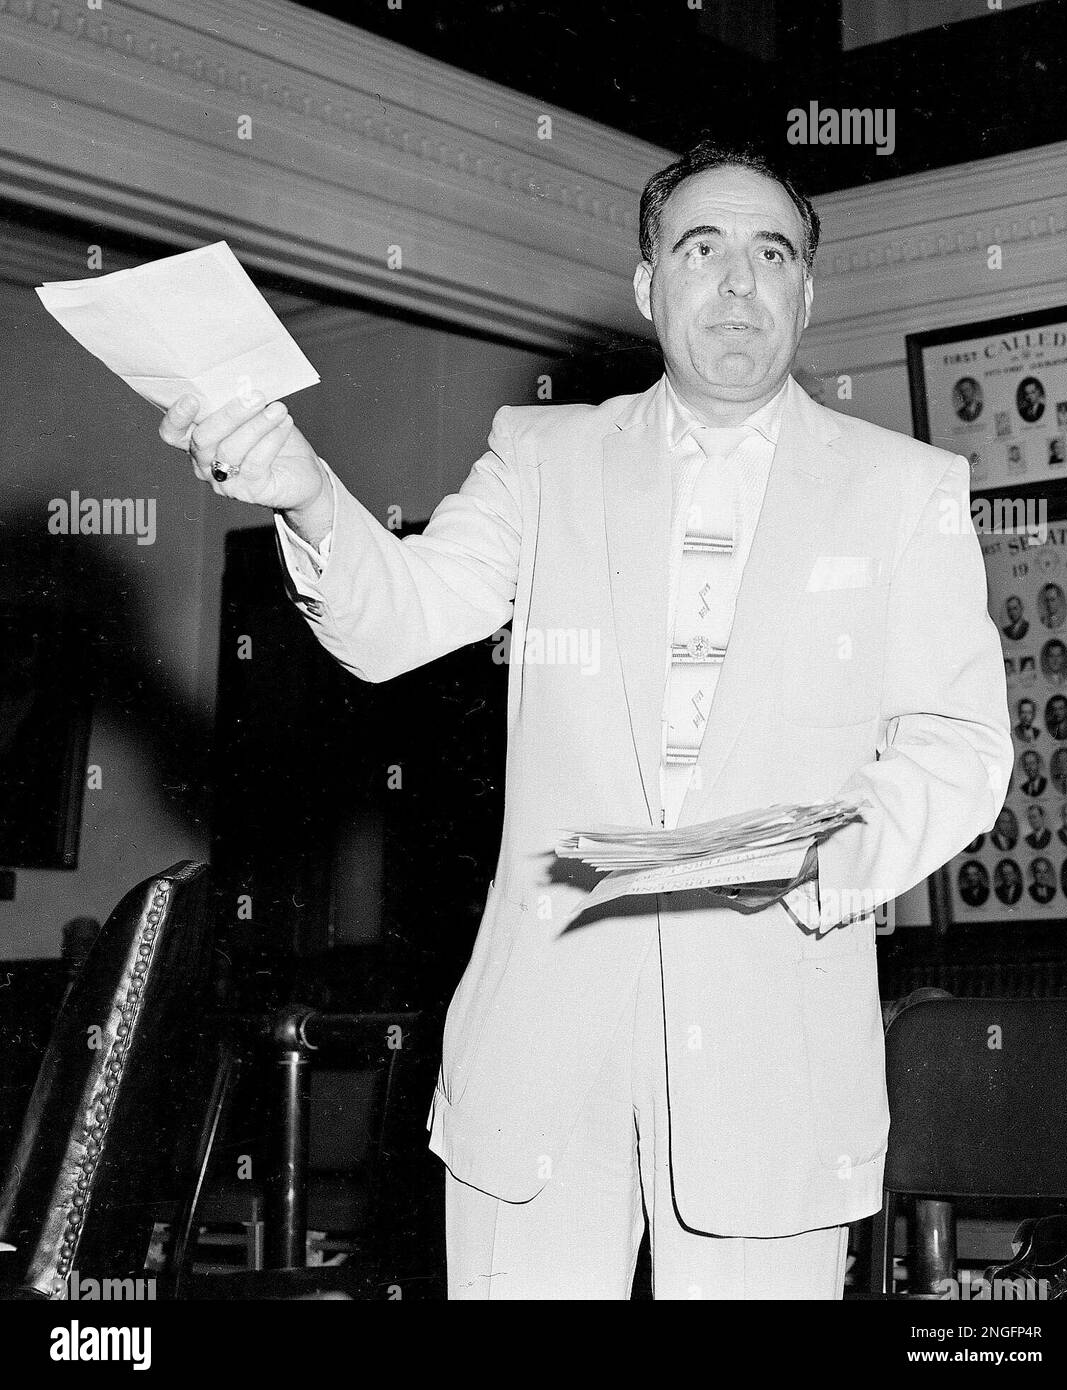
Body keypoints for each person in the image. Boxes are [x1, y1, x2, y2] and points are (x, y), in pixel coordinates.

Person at [158, 140, 1013, 1301]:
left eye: (773, 253)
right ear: (647, 285)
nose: (737, 282)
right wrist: (303, 484)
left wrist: (813, 864)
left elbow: (959, 747)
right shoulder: (542, 456)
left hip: (777, 1070)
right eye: (699, 249)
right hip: (541, 1063)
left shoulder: (905, 488)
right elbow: (396, 617)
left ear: (807, 293)